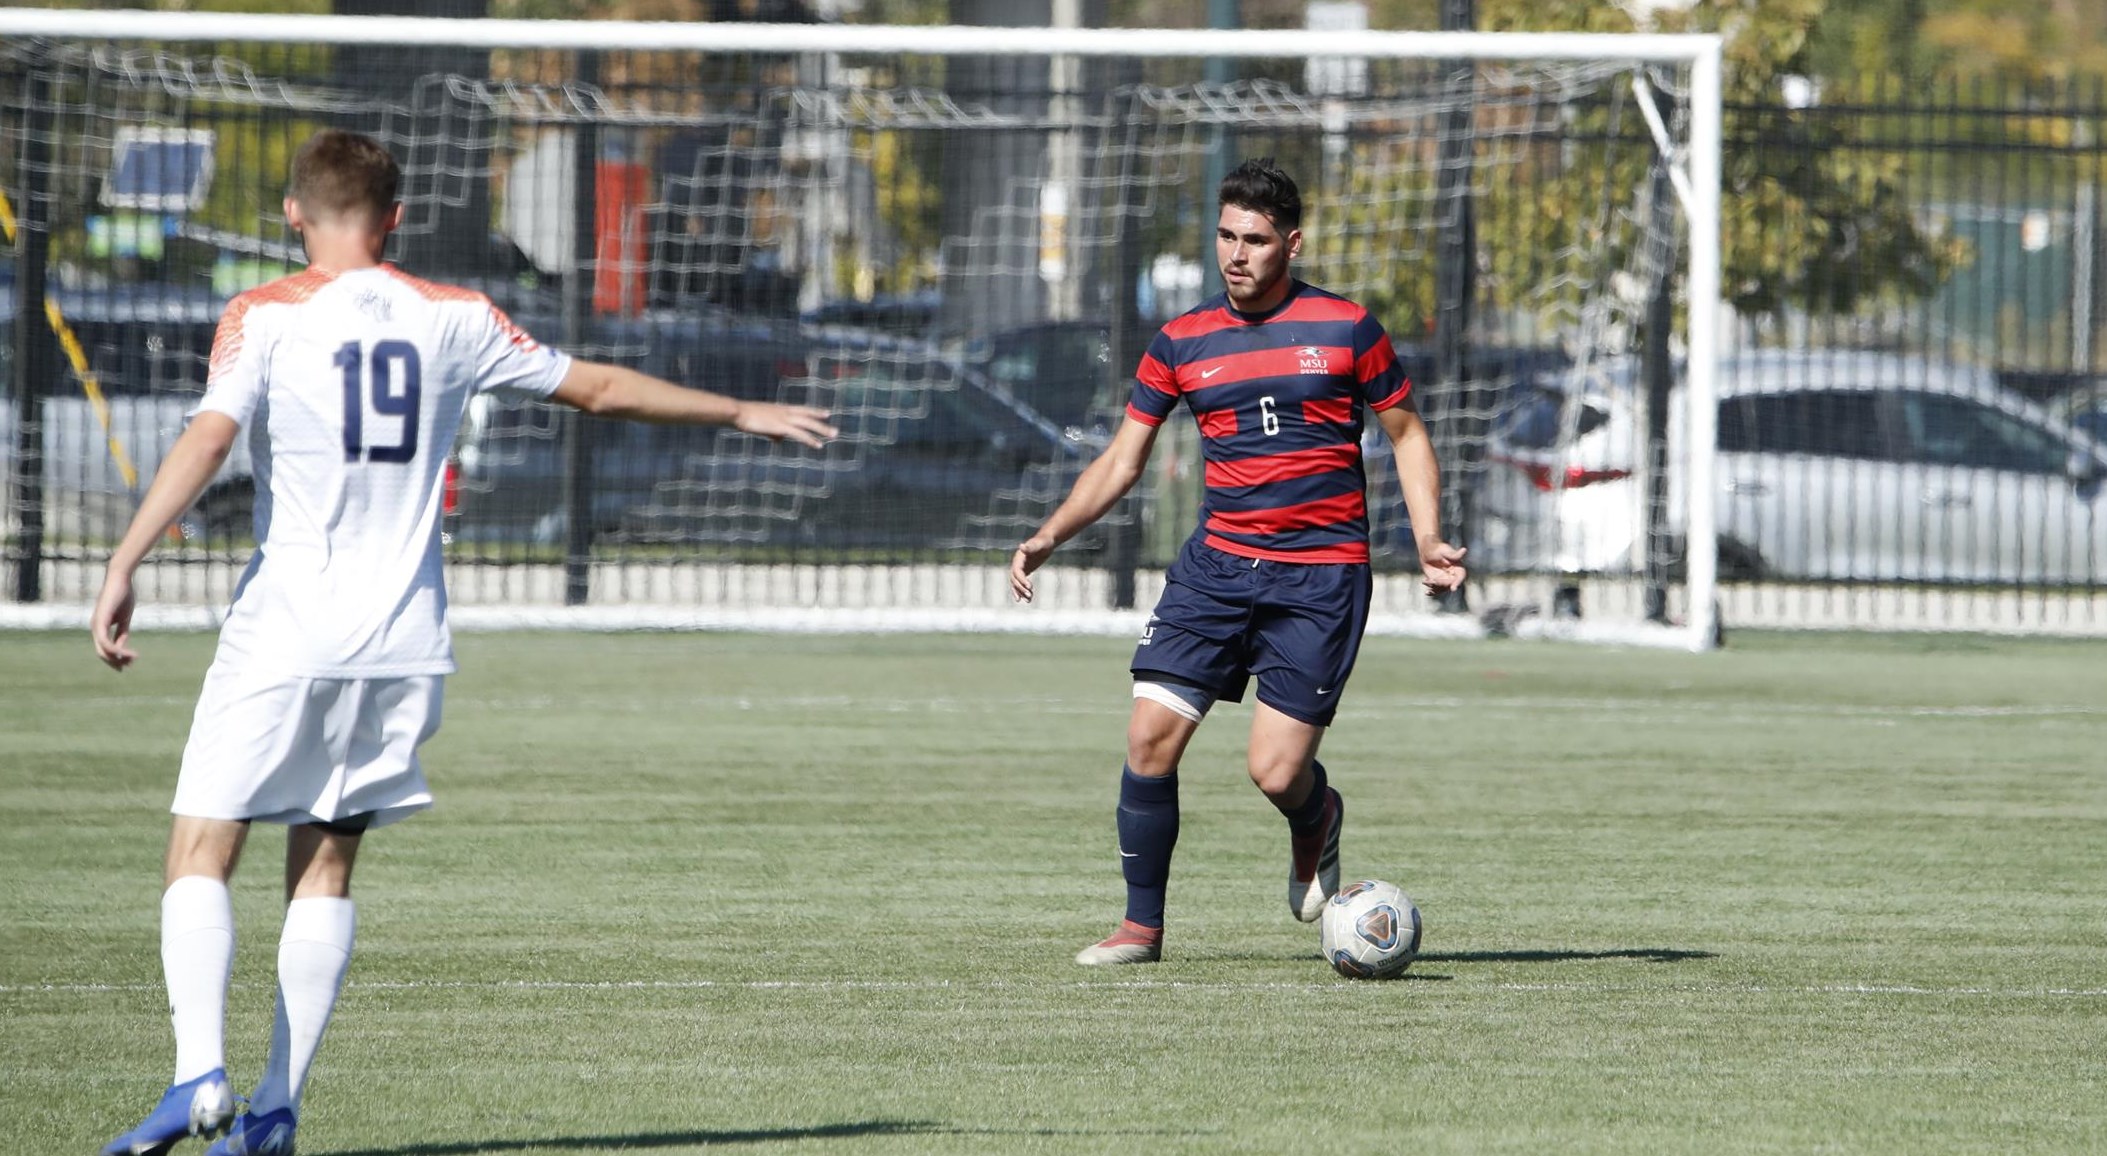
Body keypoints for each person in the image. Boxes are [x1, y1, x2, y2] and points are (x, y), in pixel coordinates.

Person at [94, 129, 836, 1156]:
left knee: (200, 846)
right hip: (403, 639)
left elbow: (212, 433)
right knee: (324, 865)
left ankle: (196, 1074)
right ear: (394, 219)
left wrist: (126, 556)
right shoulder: (456, 318)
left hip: (288, 627)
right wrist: (740, 407)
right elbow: (603, 389)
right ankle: (275, 1105)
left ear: (292, 214)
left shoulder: (261, 313)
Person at [1010, 157, 1467, 966]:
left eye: (1254, 239)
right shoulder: (1180, 341)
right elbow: (1122, 461)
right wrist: (1050, 535)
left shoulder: (1347, 329)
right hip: (1215, 569)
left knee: (1273, 770)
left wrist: (1427, 537)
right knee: (1149, 739)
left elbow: (1406, 434)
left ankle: (1315, 817)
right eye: (1225, 236)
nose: (1236, 254)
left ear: (1289, 244)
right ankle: (1139, 929)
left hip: (1318, 578)